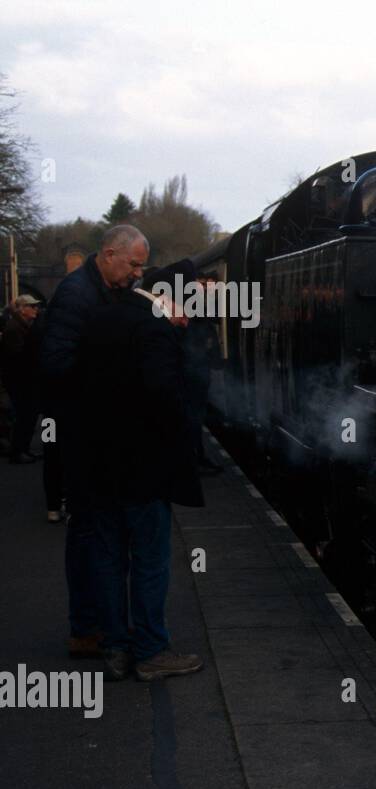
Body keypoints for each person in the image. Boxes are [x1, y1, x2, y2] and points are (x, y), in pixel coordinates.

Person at [73, 259, 205, 681]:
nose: (189, 317)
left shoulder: (100, 316)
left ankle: (115, 649)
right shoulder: (153, 328)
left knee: (109, 560)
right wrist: (186, 431)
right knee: (149, 561)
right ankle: (151, 651)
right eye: (189, 306)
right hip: (143, 469)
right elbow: (164, 395)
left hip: (99, 465)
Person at [40, 224, 149, 659]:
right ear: (108, 255)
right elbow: (57, 363)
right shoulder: (76, 295)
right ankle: (88, 627)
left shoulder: (98, 290)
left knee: (93, 532)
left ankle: (95, 624)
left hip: (90, 430)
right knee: (89, 531)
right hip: (83, 433)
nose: (138, 274)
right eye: (134, 264)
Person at [183, 274, 223, 475]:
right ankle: (194, 459)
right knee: (194, 417)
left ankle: (196, 456)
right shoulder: (195, 307)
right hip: (194, 370)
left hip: (198, 369)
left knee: (196, 417)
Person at [1, 294, 41, 465]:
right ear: (21, 309)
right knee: (24, 416)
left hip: (21, 379)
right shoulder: (14, 328)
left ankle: (22, 449)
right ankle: (18, 452)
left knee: (26, 415)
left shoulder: (21, 325)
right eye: (31, 306)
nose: (35, 309)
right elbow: (19, 357)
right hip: (19, 381)